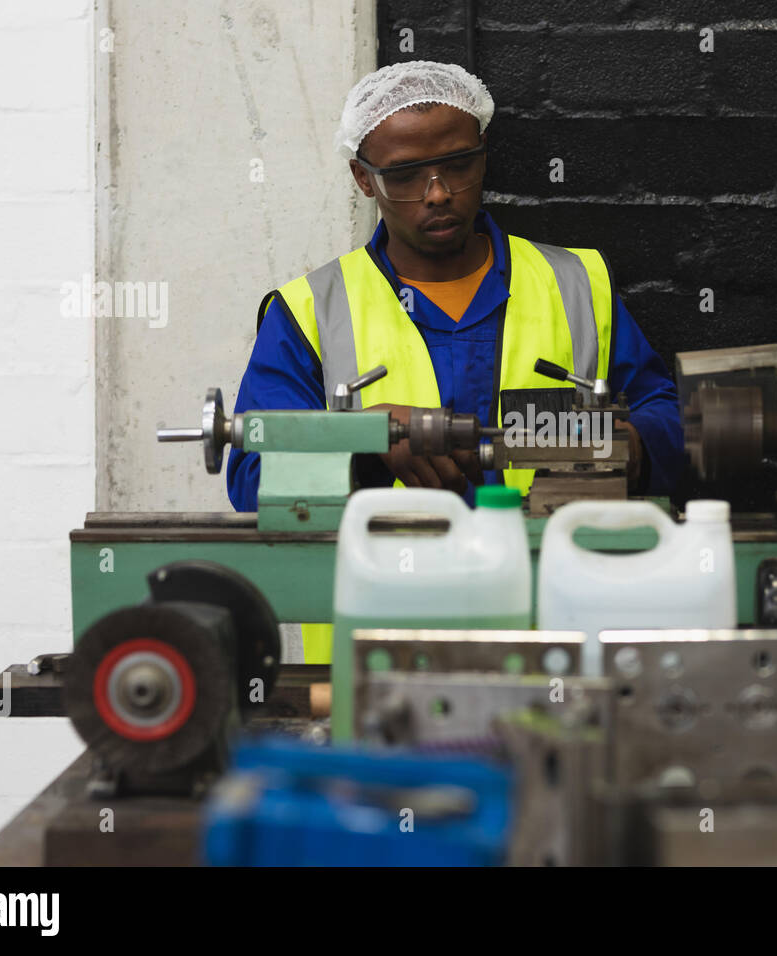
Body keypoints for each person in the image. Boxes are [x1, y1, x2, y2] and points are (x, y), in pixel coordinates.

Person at [227, 60, 685, 661]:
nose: (437, 192)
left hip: (560, 642)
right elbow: (253, 476)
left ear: (484, 156)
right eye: (405, 174)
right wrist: (361, 447)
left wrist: (633, 444)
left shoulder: (574, 283)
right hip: (380, 656)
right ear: (363, 180)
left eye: (458, 165)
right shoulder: (310, 312)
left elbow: (671, 421)